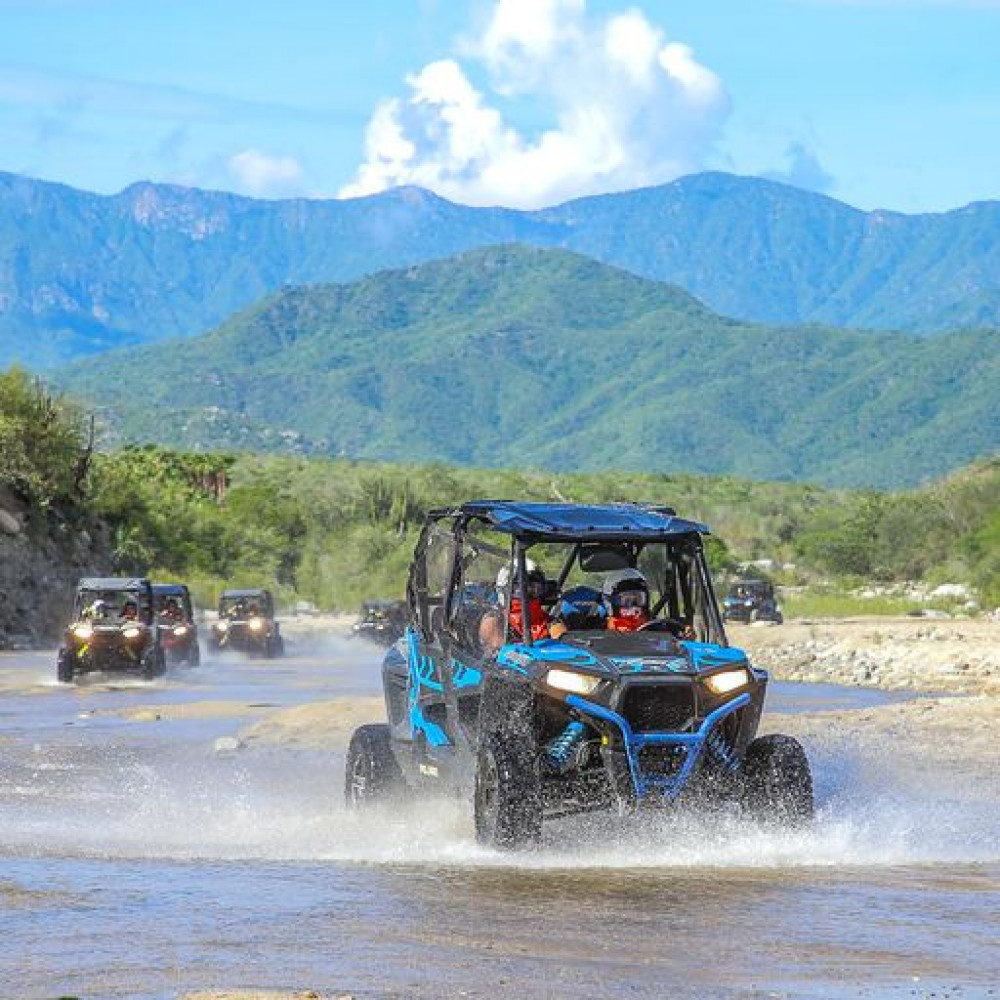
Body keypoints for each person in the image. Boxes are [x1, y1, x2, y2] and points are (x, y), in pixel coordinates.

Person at [479, 559, 551, 652]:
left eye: (536, 589)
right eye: (524, 589)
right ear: (506, 590)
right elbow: (501, 655)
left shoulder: (549, 622)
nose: (531, 594)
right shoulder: (494, 621)